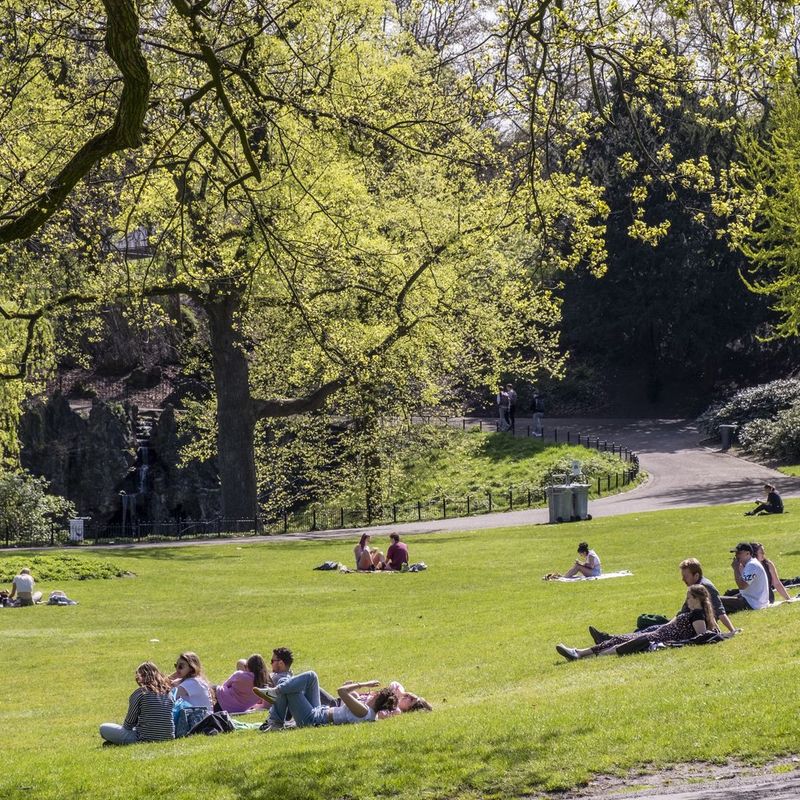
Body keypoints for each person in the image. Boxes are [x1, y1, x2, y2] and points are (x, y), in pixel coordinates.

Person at [556, 584, 716, 660]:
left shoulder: (697, 615)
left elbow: (701, 636)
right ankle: (581, 652)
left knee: (619, 642)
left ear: (697, 599)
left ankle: (580, 653)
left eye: (689, 598)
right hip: (657, 633)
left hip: (659, 639)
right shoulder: (692, 612)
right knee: (618, 639)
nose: (687, 600)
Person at [253, 672, 397, 727]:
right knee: (310, 677)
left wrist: (364, 684)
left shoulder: (364, 711)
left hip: (313, 718)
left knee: (290, 689)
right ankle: (276, 709)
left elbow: (341, 691)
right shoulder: (368, 711)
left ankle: (276, 711)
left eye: (374, 692)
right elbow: (345, 693)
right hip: (319, 710)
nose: (371, 693)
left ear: (378, 697)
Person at [99, 662, 175, 744]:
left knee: (103, 728)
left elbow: (128, 724)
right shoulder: (169, 693)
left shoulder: (140, 693)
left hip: (144, 738)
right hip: (168, 736)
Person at [678, 558, 736, 634]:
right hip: (682, 622)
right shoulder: (695, 587)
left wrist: (732, 630)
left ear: (696, 575)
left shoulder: (704, 587)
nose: (683, 579)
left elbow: (719, 610)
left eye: (686, 576)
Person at [720, 542, 769, 613]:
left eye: (739, 553)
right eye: (736, 553)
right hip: (752, 600)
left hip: (753, 603)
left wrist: (736, 569)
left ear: (748, 553)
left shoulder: (752, 565)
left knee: (716, 600)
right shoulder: (750, 564)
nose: (736, 555)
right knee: (727, 595)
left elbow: (742, 586)